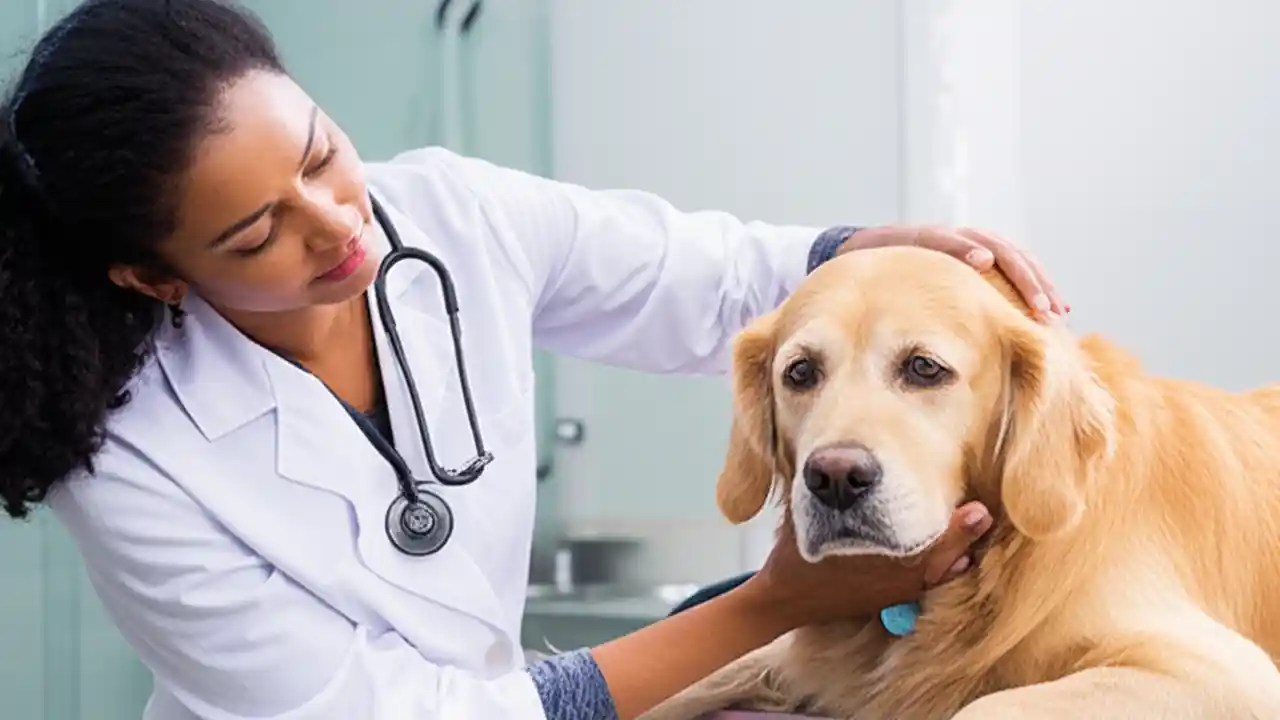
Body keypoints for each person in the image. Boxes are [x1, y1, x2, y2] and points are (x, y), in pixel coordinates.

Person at [0, 1, 1064, 719]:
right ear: (155, 277)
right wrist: (769, 602)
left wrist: (849, 252)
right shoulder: (132, 458)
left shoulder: (449, 213)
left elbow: (695, 279)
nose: (337, 226)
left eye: (322, 153)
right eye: (255, 236)